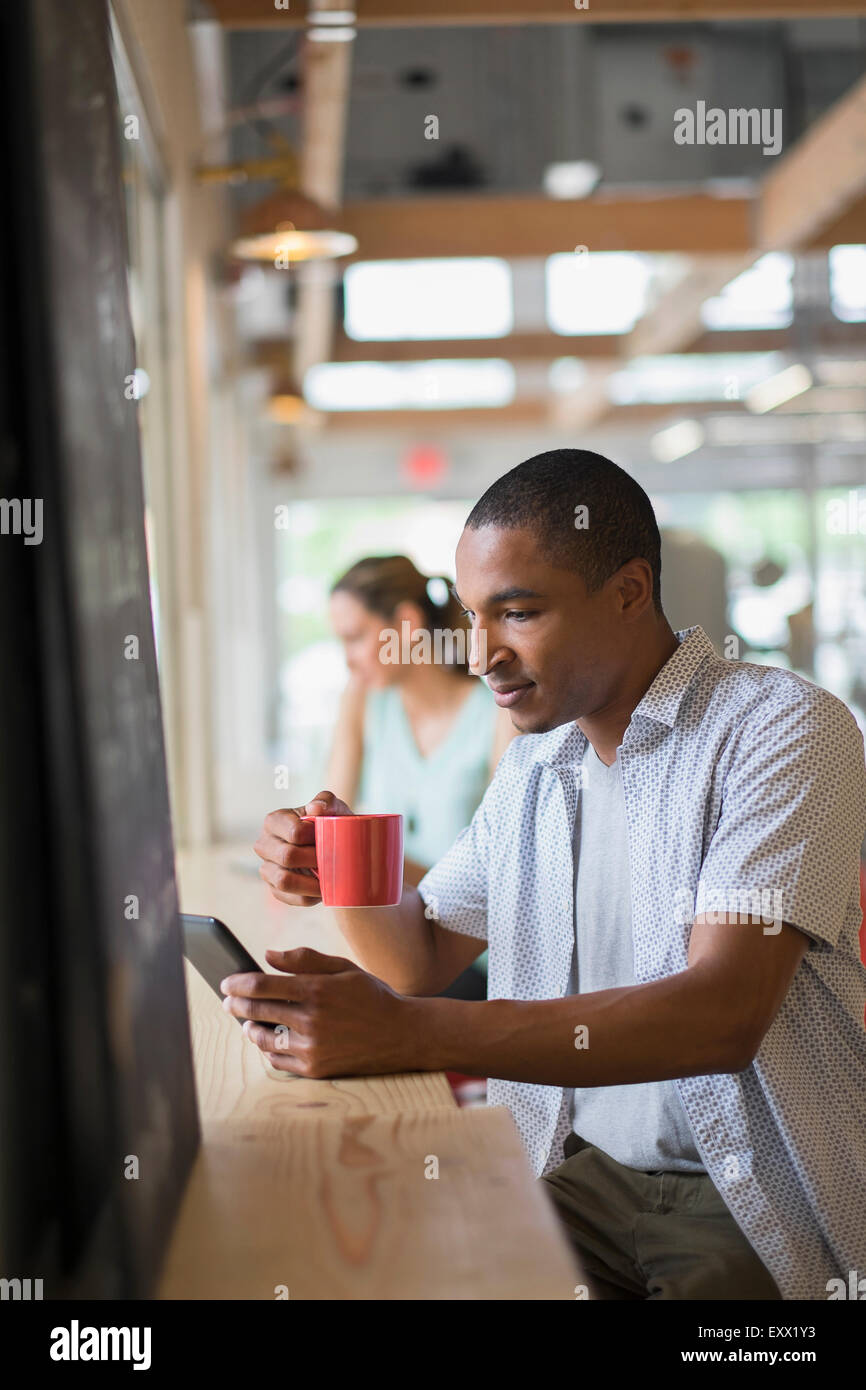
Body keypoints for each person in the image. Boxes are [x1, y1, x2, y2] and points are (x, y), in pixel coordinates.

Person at [241, 448, 866, 1301]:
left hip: (748, 1199)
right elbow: (417, 955)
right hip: (580, 1176)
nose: (481, 653)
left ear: (629, 591)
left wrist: (409, 1032)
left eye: (518, 612)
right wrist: (341, 858)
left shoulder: (783, 731)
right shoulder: (540, 766)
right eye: (471, 616)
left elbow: (721, 1015)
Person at [324, 555, 515, 1001]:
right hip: (387, 933)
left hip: (468, 959)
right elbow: (328, 817)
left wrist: (373, 865)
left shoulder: (497, 711)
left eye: (354, 638)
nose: (347, 660)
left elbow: (504, 873)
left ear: (407, 624)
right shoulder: (363, 702)